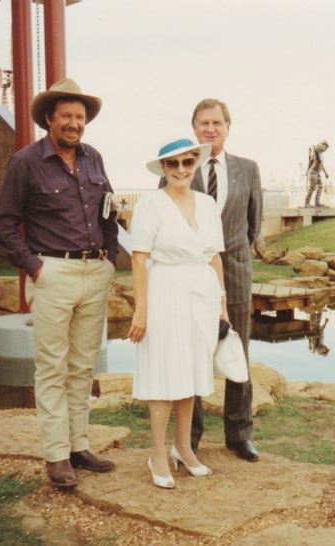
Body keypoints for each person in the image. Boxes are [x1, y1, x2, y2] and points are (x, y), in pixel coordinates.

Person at [0, 78, 118, 488]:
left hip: (93, 273)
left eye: (79, 117)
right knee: (51, 368)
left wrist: (110, 259)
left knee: (83, 367)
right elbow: (6, 224)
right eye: (65, 115)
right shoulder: (25, 162)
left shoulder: (94, 158)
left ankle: (79, 446)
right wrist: (34, 267)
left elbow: (108, 213)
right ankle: (56, 455)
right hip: (53, 273)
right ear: (49, 118)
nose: (73, 123)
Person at [128, 138, 229, 489]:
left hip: (201, 295)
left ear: (196, 163)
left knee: (189, 372)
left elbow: (215, 256)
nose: (181, 170)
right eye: (173, 164)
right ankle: (157, 453)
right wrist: (141, 309)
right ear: (163, 169)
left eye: (188, 162)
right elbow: (138, 258)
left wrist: (222, 303)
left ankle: (183, 448)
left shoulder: (207, 203)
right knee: (164, 372)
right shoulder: (150, 203)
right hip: (165, 293)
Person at [174, 98, 263, 462]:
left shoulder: (248, 169)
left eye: (217, 123)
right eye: (203, 123)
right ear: (193, 129)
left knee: (237, 354)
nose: (210, 129)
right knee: (191, 354)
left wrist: (233, 256)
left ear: (228, 127)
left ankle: (239, 434)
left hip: (237, 275)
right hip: (191, 277)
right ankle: (189, 436)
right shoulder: (179, 167)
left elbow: (253, 224)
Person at [304, 140, 330, 207]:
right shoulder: (315, 150)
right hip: (313, 171)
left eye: (326, 147)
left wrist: (325, 173)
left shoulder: (320, 154)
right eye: (324, 146)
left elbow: (321, 164)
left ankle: (317, 202)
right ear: (321, 145)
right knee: (312, 187)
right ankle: (307, 203)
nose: (325, 149)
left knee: (320, 186)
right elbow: (311, 159)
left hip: (317, 172)